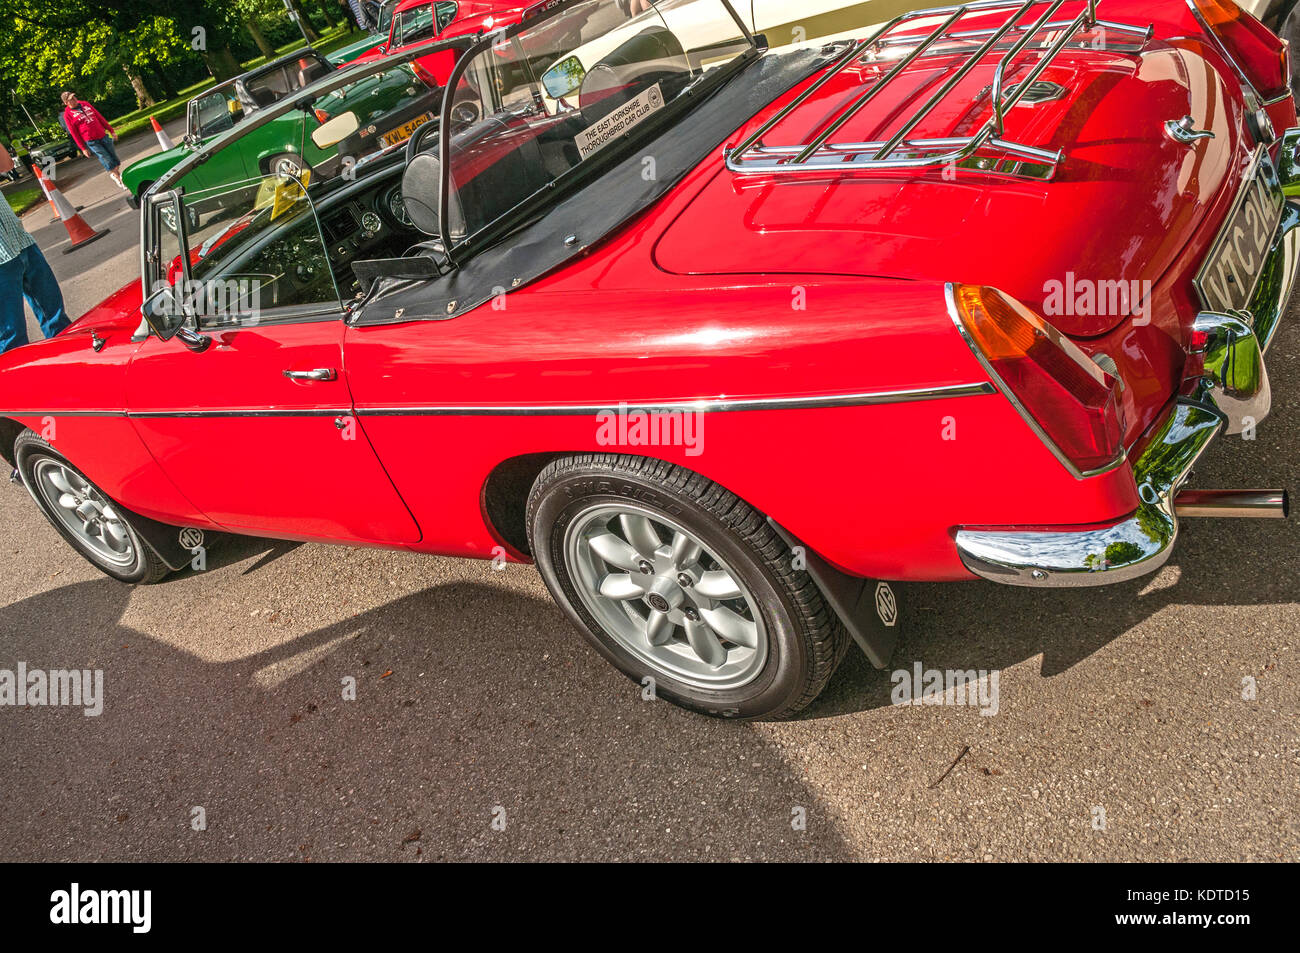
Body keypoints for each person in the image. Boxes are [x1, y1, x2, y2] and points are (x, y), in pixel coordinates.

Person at [0, 147, 70, 356]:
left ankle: (69, 361)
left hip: (19, 241)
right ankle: (18, 385)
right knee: (12, 338)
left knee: (56, 317)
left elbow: (6, 165)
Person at [60, 91, 128, 193]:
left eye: (74, 97)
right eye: (71, 99)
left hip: (102, 135)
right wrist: (83, 148)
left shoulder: (85, 104)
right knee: (106, 158)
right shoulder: (67, 115)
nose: (74, 100)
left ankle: (114, 174)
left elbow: (99, 117)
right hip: (91, 140)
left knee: (114, 159)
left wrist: (111, 130)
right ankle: (120, 179)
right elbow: (74, 133)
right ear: (66, 103)